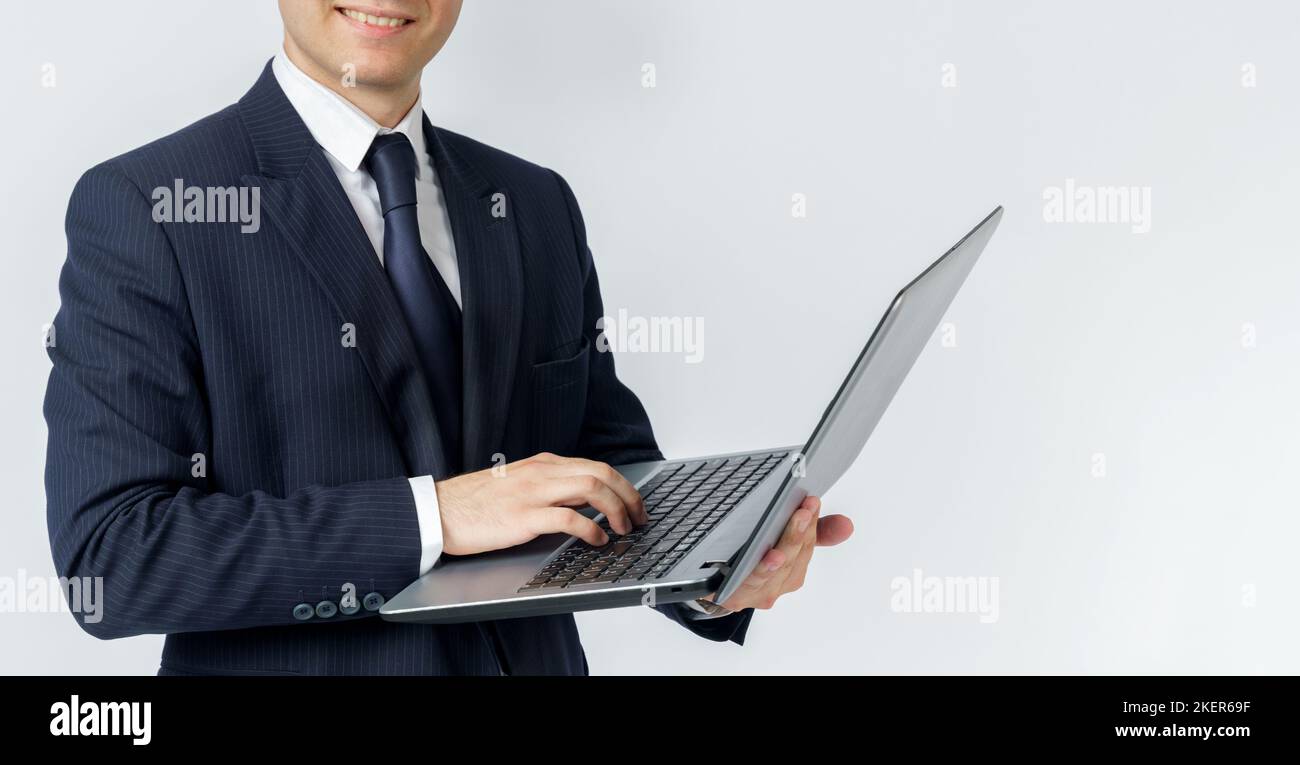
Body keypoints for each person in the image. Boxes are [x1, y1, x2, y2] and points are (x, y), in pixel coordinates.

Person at [43, 0, 853, 675]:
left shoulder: (535, 203)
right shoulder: (150, 205)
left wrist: (719, 571)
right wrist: (434, 515)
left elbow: (610, 472)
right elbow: (111, 561)